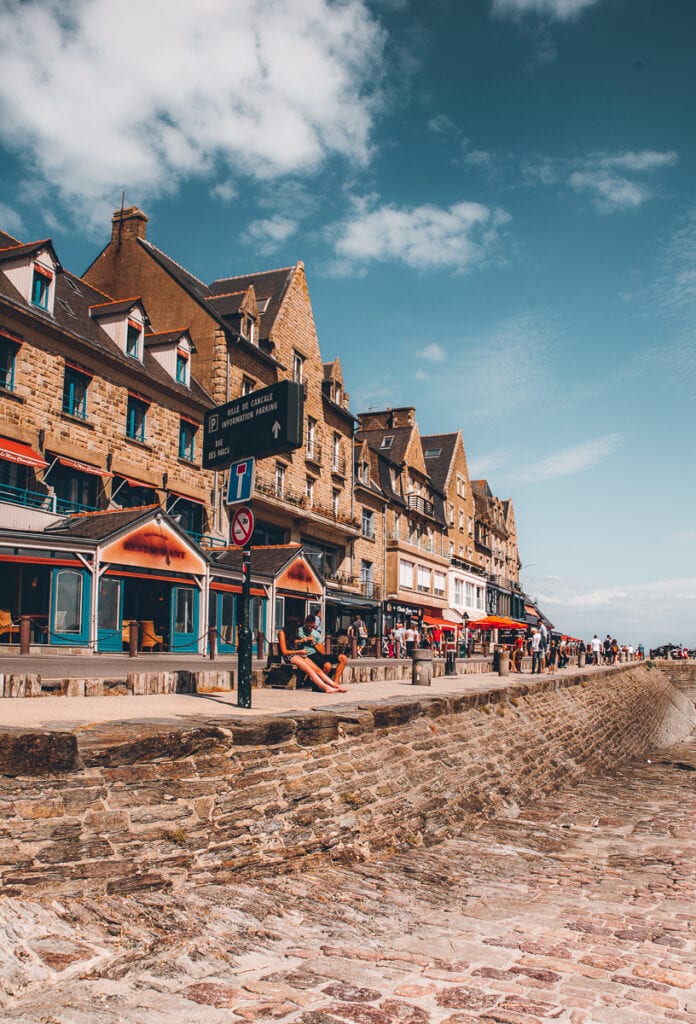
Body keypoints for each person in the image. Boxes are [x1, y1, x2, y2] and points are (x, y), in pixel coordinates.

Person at [278, 617, 346, 693]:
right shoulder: (282, 633)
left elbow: (294, 642)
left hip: (298, 654)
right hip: (290, 656)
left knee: (318, 670)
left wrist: (307, 643)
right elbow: (284, 652)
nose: (297, 629)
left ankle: (335, 685)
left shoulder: (291, 632)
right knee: (311, 671)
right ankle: (326, 687)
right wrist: (299, 651)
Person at [298, 614, 348, 687]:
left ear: (314, 625)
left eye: (311, 627)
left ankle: (335, 682)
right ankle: (318, 683)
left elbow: (322, 651)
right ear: (305, 623)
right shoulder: (299, 631)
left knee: (343, 658)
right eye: (307, 626)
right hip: (306, 654)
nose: (309, 628)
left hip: (316, 654)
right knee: (327, 666)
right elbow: (293, 642)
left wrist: (314, 642)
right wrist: (302, 640)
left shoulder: (316, 634)